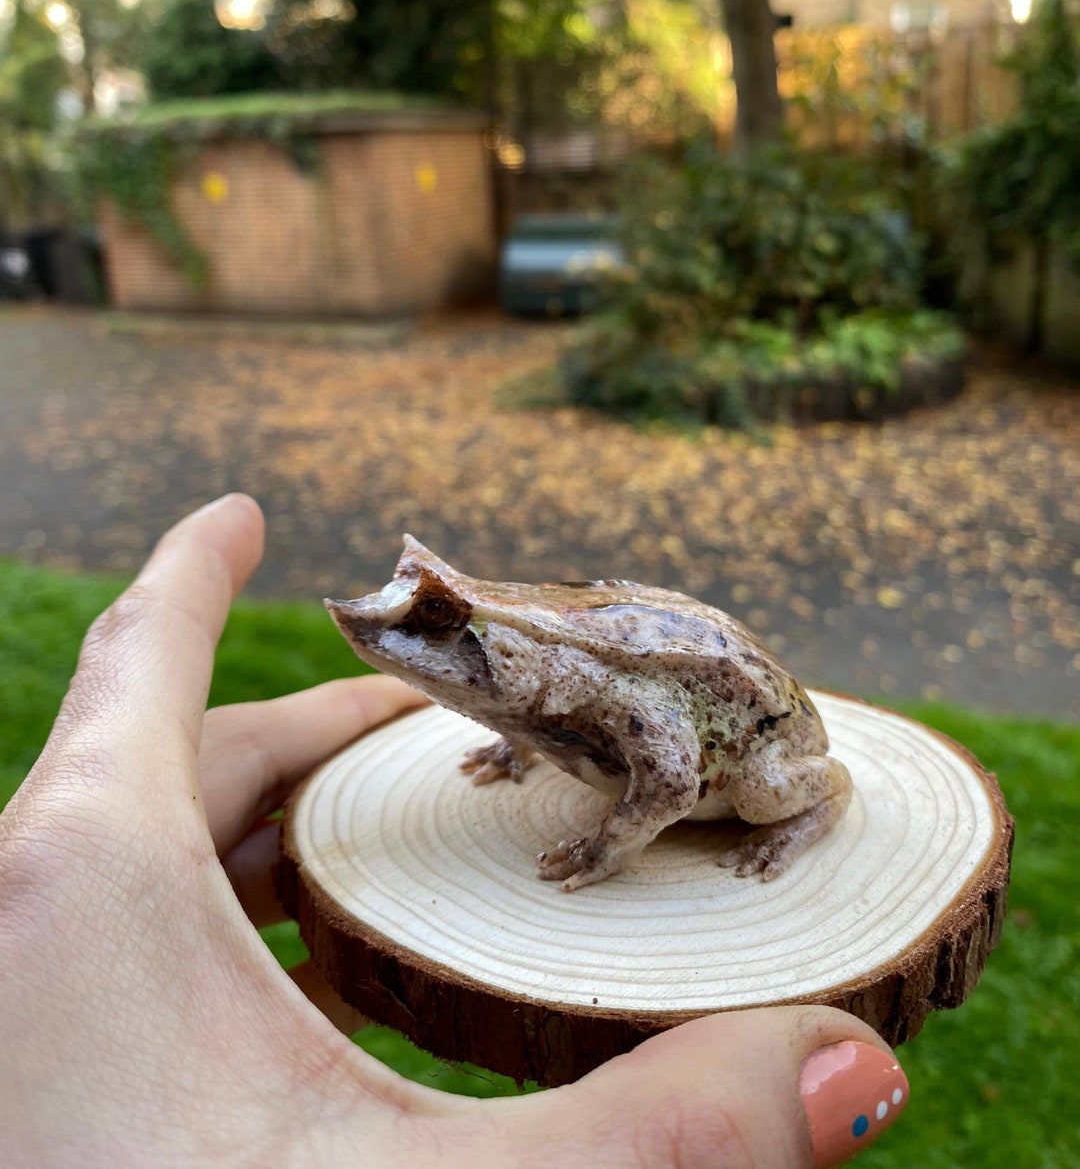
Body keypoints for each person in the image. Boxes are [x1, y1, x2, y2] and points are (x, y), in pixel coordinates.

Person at [0, 495, 907, 1168]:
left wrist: (609, 845)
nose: (423, 653)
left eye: (442, 627)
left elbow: (671, 774)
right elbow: (541, 707)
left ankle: (812, 808)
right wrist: (520, 745)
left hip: (755, 734)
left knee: (756, 793)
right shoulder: (551, 686)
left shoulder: (582, 677)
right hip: (594, 688)